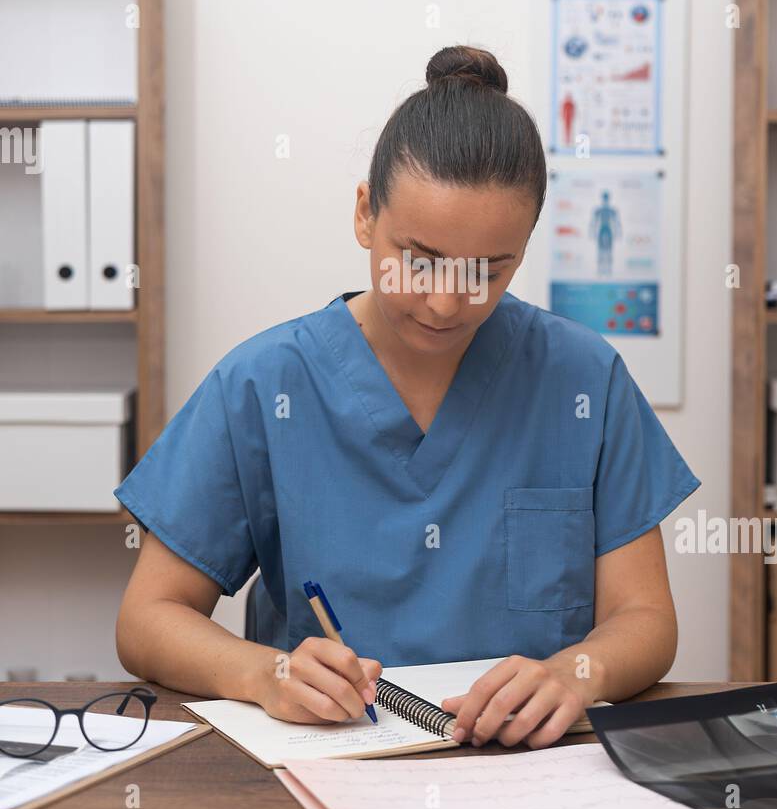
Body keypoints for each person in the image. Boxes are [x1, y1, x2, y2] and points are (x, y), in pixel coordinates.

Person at [116, 45, 700, 750]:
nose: (447, 302)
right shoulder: (265, 386)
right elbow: (147, 618)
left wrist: (579, 673)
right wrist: (263, 673)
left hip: (528, 771)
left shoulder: (584, 380)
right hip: (323, 770)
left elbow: (645, 617)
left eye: (489, 269)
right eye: (418, 260)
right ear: (366, 213)